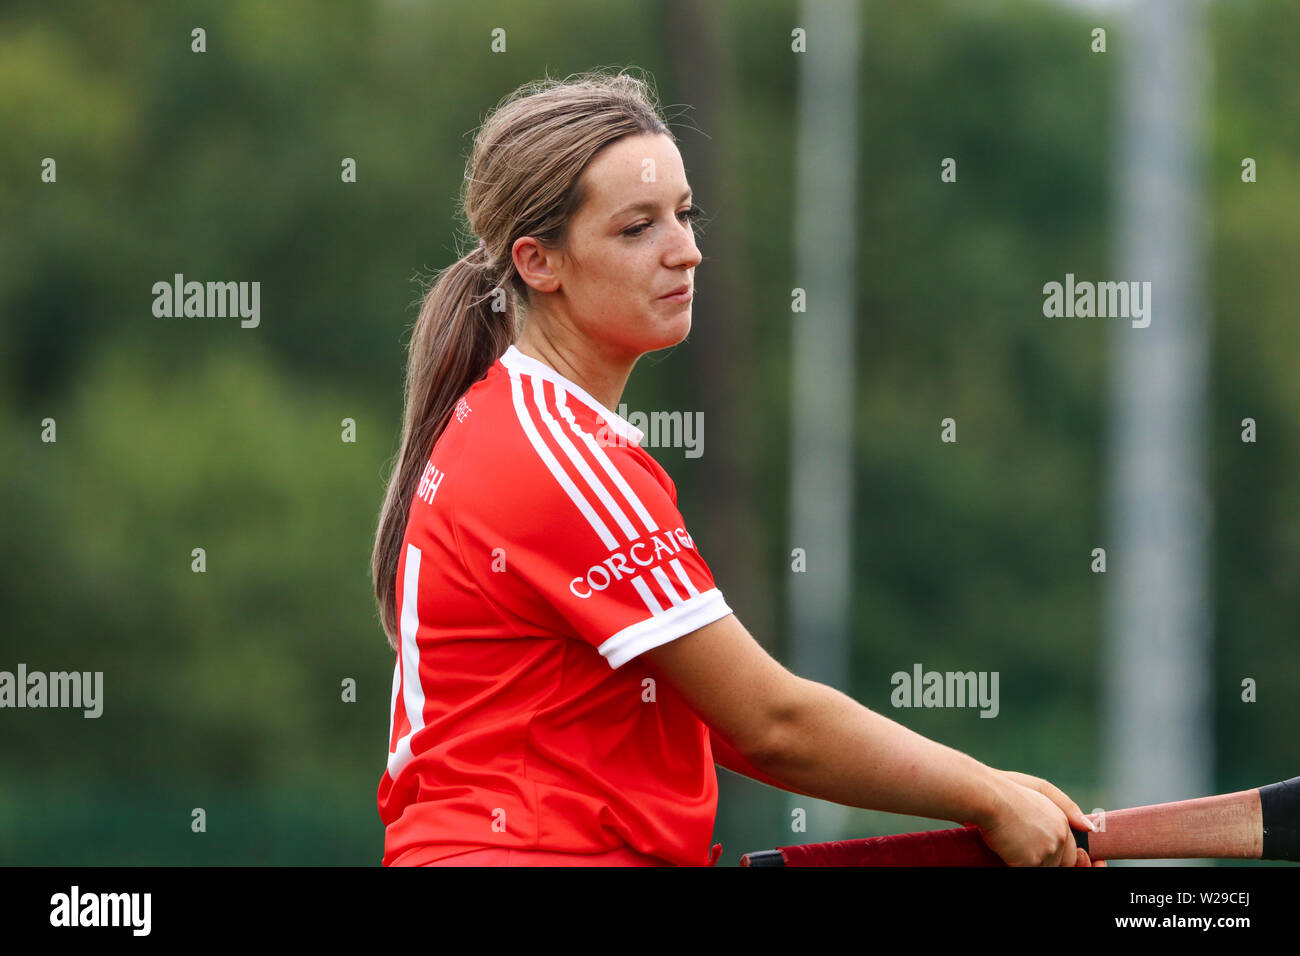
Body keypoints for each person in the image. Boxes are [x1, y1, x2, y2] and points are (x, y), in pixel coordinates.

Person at [371, 69, 1103, 867]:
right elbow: (773, 724)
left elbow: (718, 716)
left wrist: (987, 786)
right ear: (539, 262)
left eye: (685, 215)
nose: (686, 252)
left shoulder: (519, 423)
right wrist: (987, 797)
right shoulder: (559, 459)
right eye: (636, 229)